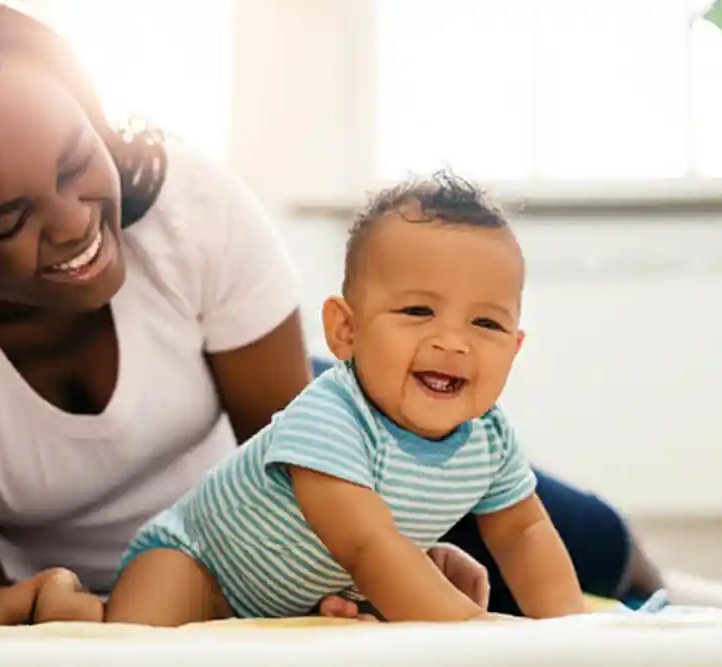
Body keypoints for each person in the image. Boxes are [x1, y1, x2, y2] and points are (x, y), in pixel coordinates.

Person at [0, 0, 722, 638]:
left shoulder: (186, 211)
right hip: (169, 570)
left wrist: (343, 588)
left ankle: (675, 591)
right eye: (9, 218)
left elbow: (318, 458)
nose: (72, 227)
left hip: (309, 502)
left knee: (558, 532)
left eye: (72, 163)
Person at [89, 173, 585, 626]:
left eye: (486, 323)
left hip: (303, 598)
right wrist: (471, 630)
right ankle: (65, 603)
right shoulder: (332, 416)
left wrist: (571, 631)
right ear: (345, 330)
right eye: (418, 311)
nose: (453, 343)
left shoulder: (489, 438)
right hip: (199, 566)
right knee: (139, 649)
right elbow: (366, 545)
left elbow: (524, 534)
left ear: (514, 348)